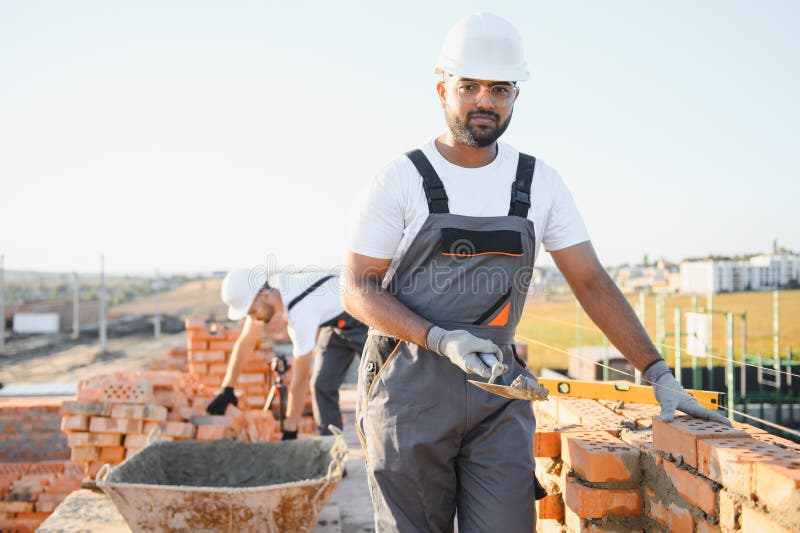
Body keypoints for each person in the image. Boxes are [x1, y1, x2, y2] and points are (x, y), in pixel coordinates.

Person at [341, 12, 730, 532]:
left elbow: (591, 281)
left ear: (515, 97)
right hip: (407, 390)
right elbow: (357, 288)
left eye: (499, 89)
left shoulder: (538, 183)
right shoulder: (402, 179)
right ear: (442, 90)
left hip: (498, 396)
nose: (485, 100)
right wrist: (440, 338)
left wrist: (657, 373)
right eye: (470, 86)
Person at [206, 268, 367, 440]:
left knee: (379, 380)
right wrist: (227, 387)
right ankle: (332, 451)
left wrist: (291, 428)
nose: (253, 319)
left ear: (265, 296)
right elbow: (246, 342)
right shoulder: (272, 290)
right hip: (334, 324)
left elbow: (300, 378)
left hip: (362, 316)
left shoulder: (300, 312)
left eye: (252, 312)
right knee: (322, 385)